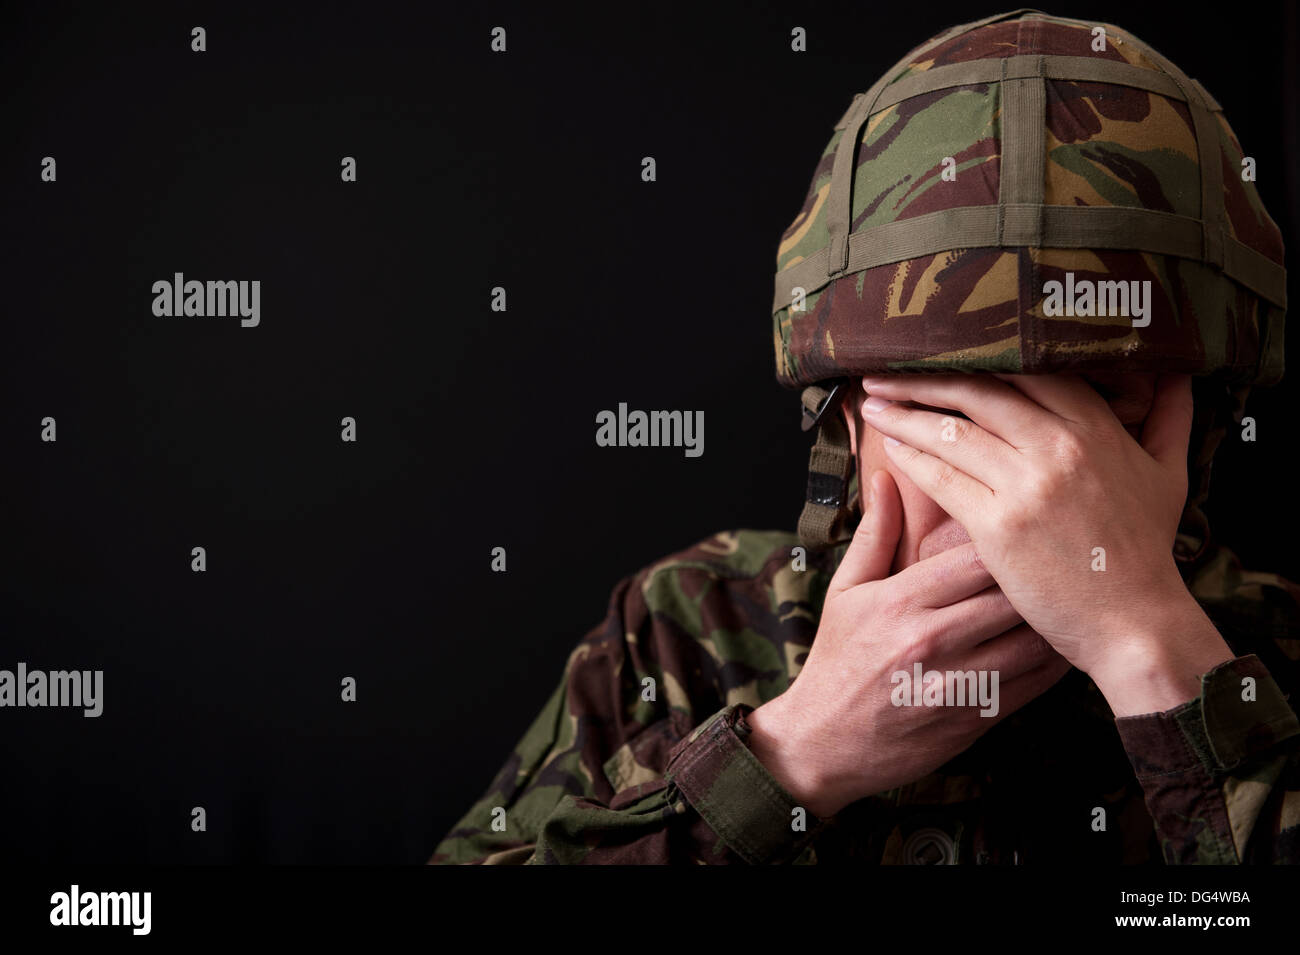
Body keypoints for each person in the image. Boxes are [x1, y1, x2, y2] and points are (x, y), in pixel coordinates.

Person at [431, 10, 1298, 864]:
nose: (1024, 493)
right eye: (947, 410)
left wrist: (1153, 656)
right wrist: (790, 760)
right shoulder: (684, 632)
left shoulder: (1278, 649)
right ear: (843, 420)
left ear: (1196, 428)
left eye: (1098, 409)